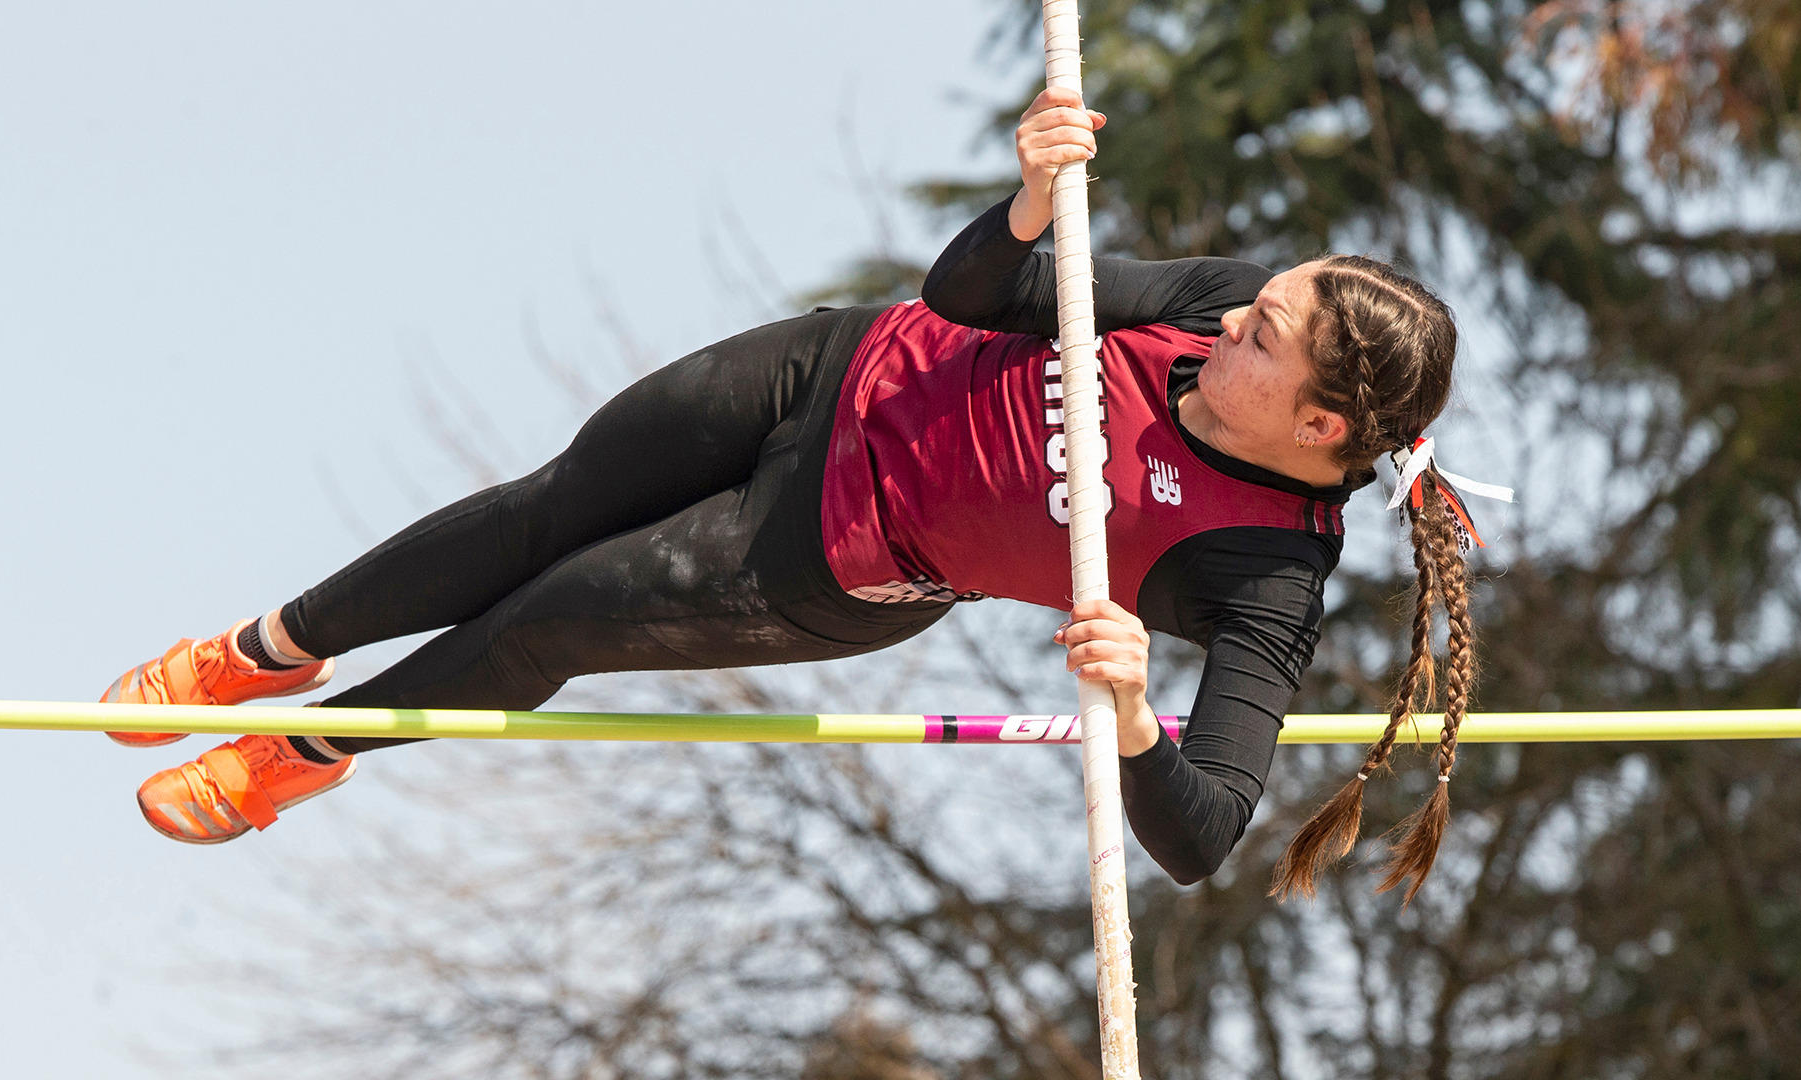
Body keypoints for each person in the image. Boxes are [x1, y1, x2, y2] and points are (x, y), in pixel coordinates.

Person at [102, 87, 1486, 900]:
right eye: (1259, 300)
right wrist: (1029, 198)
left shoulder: (1267, 572)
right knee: (543, 508)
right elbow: (979, 297)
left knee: (558, 613)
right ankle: (263, 652)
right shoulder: (1218, 302)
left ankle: (309, 754)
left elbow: (1201, 834)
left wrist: (1130, 714)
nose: (1237, 315)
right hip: (842, 369)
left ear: (1318, 425)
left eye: (1263, 337)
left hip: (834, 555)